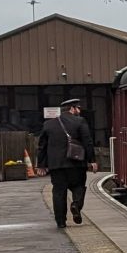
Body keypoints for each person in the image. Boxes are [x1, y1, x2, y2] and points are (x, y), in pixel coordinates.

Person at [36, 98, 97, 229]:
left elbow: (42, 146)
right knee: (79, 186)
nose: (79, 111)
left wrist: (41, 165)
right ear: (72, 108)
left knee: (58, 192)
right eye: (78, 108)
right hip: (77, 163)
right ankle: (76, 205)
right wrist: (92, 160)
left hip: (56, 165)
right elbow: (88, 142)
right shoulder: (80, 121)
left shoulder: (49, 124)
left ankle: (61, 222)